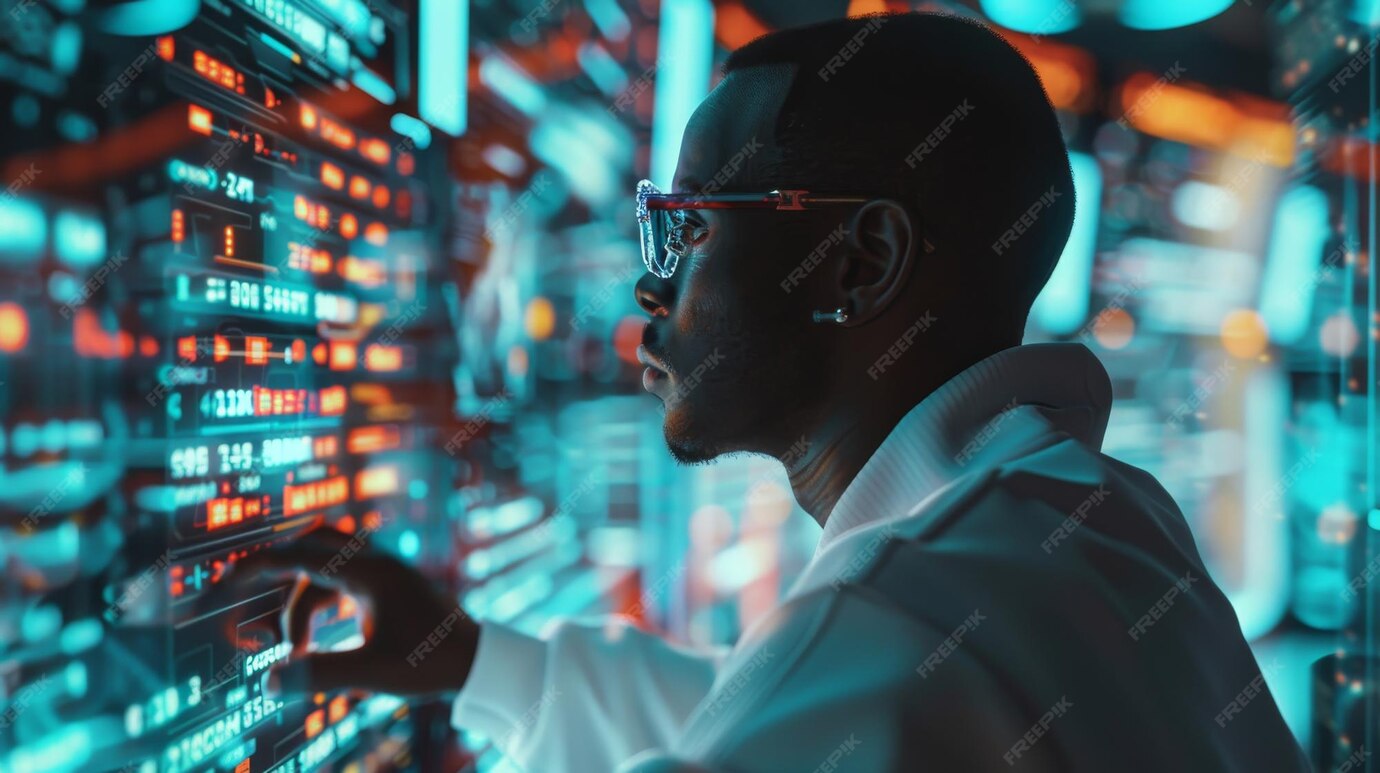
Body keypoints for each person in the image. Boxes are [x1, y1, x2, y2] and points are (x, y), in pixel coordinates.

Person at [229, 12, 1311, 772]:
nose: (651, 281)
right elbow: (804, 714)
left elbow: (841, 701)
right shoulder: (1085, 517)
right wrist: (474, 660)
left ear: (860, 262)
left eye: (691, 226)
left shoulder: (895, 624)